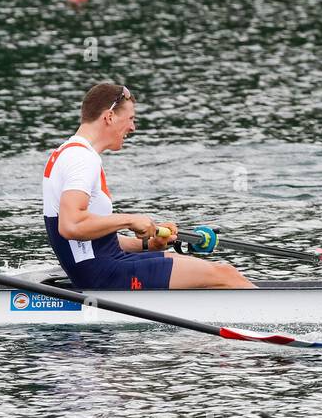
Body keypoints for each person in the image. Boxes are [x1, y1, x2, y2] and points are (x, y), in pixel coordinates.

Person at [43, 82, 253, 290]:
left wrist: (147, 245)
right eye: (131, 119)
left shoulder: (67, 152)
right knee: (227, 275)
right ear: (109, 117)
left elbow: (90, 242)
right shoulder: (81, 158)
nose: (133, 127)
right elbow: (71, 226)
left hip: (106, 267)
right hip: (106, 276)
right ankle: (276, 323)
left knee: (216, 282)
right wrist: (129, 219)